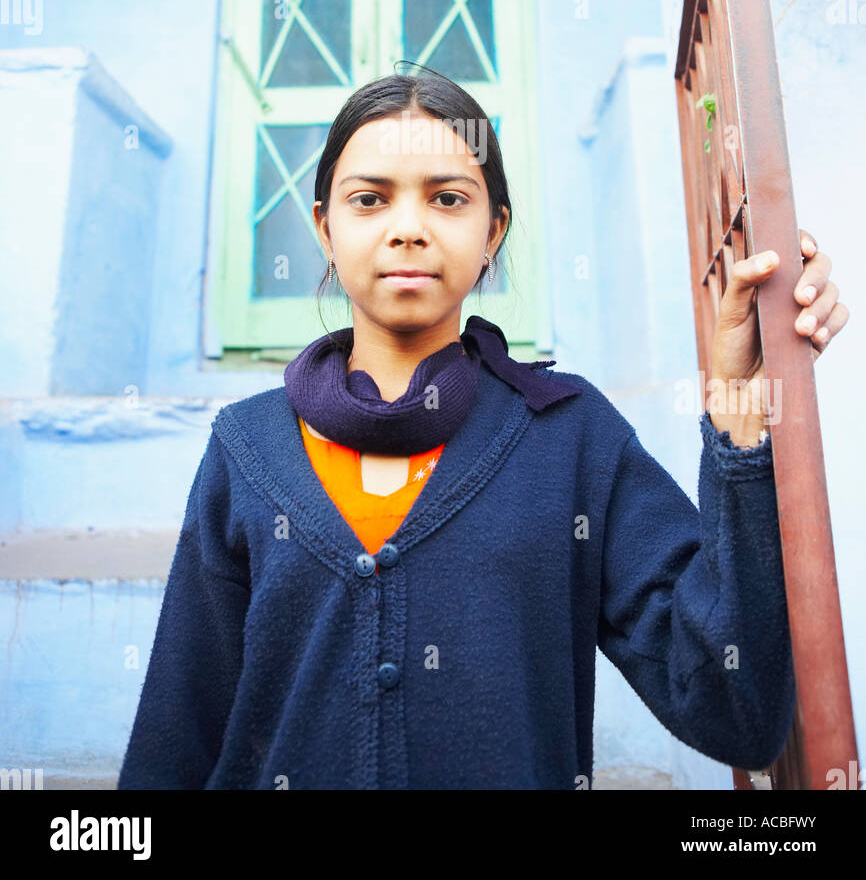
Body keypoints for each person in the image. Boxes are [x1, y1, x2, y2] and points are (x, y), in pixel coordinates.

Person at [116, 68, 848, 790]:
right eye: (369, 200)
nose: (409, 229)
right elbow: (174, 739)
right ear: (324, 229)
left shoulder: (571, 437)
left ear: (493, 230)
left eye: (448, 198)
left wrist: (742, 416)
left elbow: (733, 710)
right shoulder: (246, 447)